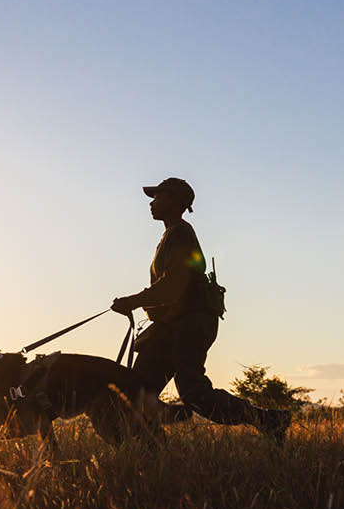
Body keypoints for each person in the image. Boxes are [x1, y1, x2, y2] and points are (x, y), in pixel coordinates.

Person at [111, 178, 291, 444]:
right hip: (172, 324)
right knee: (137, 392)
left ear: (173, 201)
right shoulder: (171, 235)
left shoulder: (181, 233)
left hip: (190, 322)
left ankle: (268, 419)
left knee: (193, 391)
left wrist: (133, 301)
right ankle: (150, 449)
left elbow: (173, 286)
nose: (151, 202)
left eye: (157, 197)